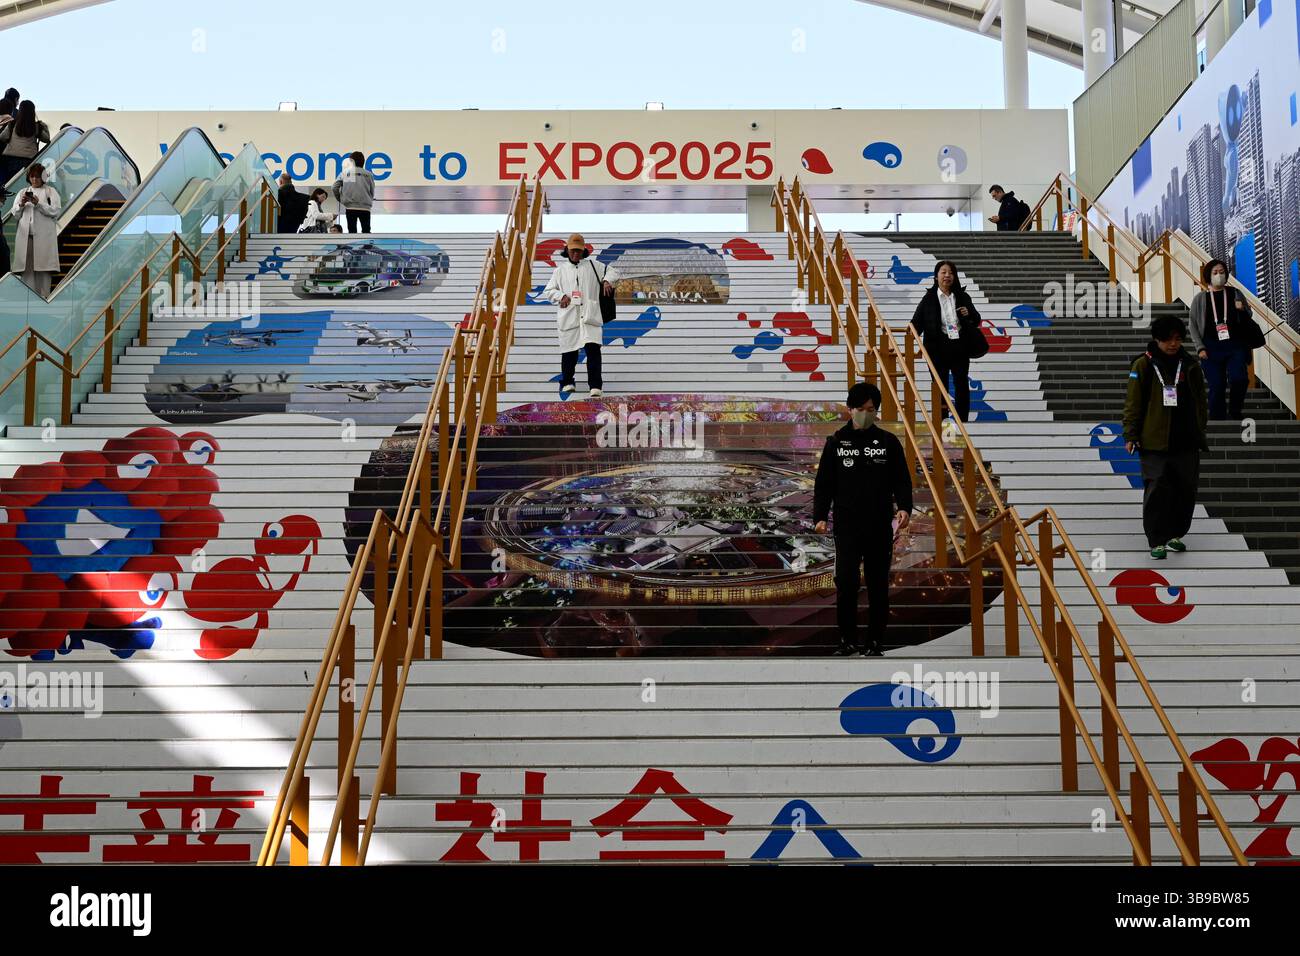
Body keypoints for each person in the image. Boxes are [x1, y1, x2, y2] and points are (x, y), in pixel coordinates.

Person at [813, 381, 914, 656]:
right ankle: (846, 641)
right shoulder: (835, 443)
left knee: (878, 584)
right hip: (846, 526)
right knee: (846, 583)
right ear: (850, 409)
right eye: (861, 409)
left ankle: (874, 642)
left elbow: (902, 480)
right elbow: (824, 484)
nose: (867, 414)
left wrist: (905, 507)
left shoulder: (888, 443)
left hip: (880, 526)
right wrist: (820, 516)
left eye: (871, 409)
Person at [1123, 315, 1208, 560]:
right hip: (1154, 441)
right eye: (1168, 340)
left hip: (1186, 439)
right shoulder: (1143, 365)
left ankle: (1175, 535)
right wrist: (1131, 433)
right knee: (1157, 488)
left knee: (1185, 489)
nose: (1173, 344)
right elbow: (1133, 402)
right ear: (1156, 339)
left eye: (1178, 340)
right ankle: (1156, 539)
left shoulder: (1189, 364)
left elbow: (1200, 399)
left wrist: (1200, 426)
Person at [541, 234, 619, 397]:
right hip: (569, 315)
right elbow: (548, 291)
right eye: (572, 250)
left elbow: (613, 271)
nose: (575, 253)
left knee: (593, 352)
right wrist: (560, 296)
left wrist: (606, 281)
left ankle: (596, 385)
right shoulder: (559, 271)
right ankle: (568, 382)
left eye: (578, 250)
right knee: (569, 352)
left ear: (583, 251)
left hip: (590, 315)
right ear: (567, 250)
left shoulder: (593, 265)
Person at [910, 260, 981, 422]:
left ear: (955, 277)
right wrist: (912, 343)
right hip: (936, 349)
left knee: (961, 384)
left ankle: (962, 421)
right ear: (936, 277)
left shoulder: (963, 297)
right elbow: (915, 324)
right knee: (939, 386)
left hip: (959, 346)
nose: (947, 275)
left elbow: (976, 320)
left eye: (950, 273)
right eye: (943, 272)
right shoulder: (929, 298)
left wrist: (968, 313)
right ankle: (941, 420)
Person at [1188, 258, 1253, 420]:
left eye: (1222, 272)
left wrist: (1242, 310)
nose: (1219, 275)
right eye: (1215, 272)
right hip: (1210, 348)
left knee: (1240, 379)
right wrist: (1200, 347)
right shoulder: (1200, 299)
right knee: (1217, 385)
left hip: (1235, 346)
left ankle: (1235, 410)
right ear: (1209, 276)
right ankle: (1218, 418)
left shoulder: (1235, 293)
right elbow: (1193, 325)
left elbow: (1249, 316)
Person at [11, 162, 61, 296]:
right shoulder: (22, 192)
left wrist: (38, 204)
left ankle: (44, 295)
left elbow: (55, 211)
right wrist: (21, 204)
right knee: (26, 269)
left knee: (44, 269)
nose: (34, 180)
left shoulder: (51, 191)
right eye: (32, 177)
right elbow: (15, 214)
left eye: (38, 177)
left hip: (44, 237)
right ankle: (27, 296)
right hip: (26, 237)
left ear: (43, 177)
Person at [0, 100, 51, 184]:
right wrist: (44, 126)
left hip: (10, 160)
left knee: (9, 185)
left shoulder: (12, 124)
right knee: (23, 185)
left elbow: (2, 137)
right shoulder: (37, 126)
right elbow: (46, 139)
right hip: (28, 161)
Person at [332, 151, 374, 234]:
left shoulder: (346, 173)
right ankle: (367, 247)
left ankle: (353, 246)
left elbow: (334, 187)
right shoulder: (369, 174)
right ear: (363, 161)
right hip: (365, 208)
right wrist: (368, 200)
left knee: (352, 232)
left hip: (350, 207)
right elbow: (372, 190)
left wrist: (340, 199)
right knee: (366, 231)